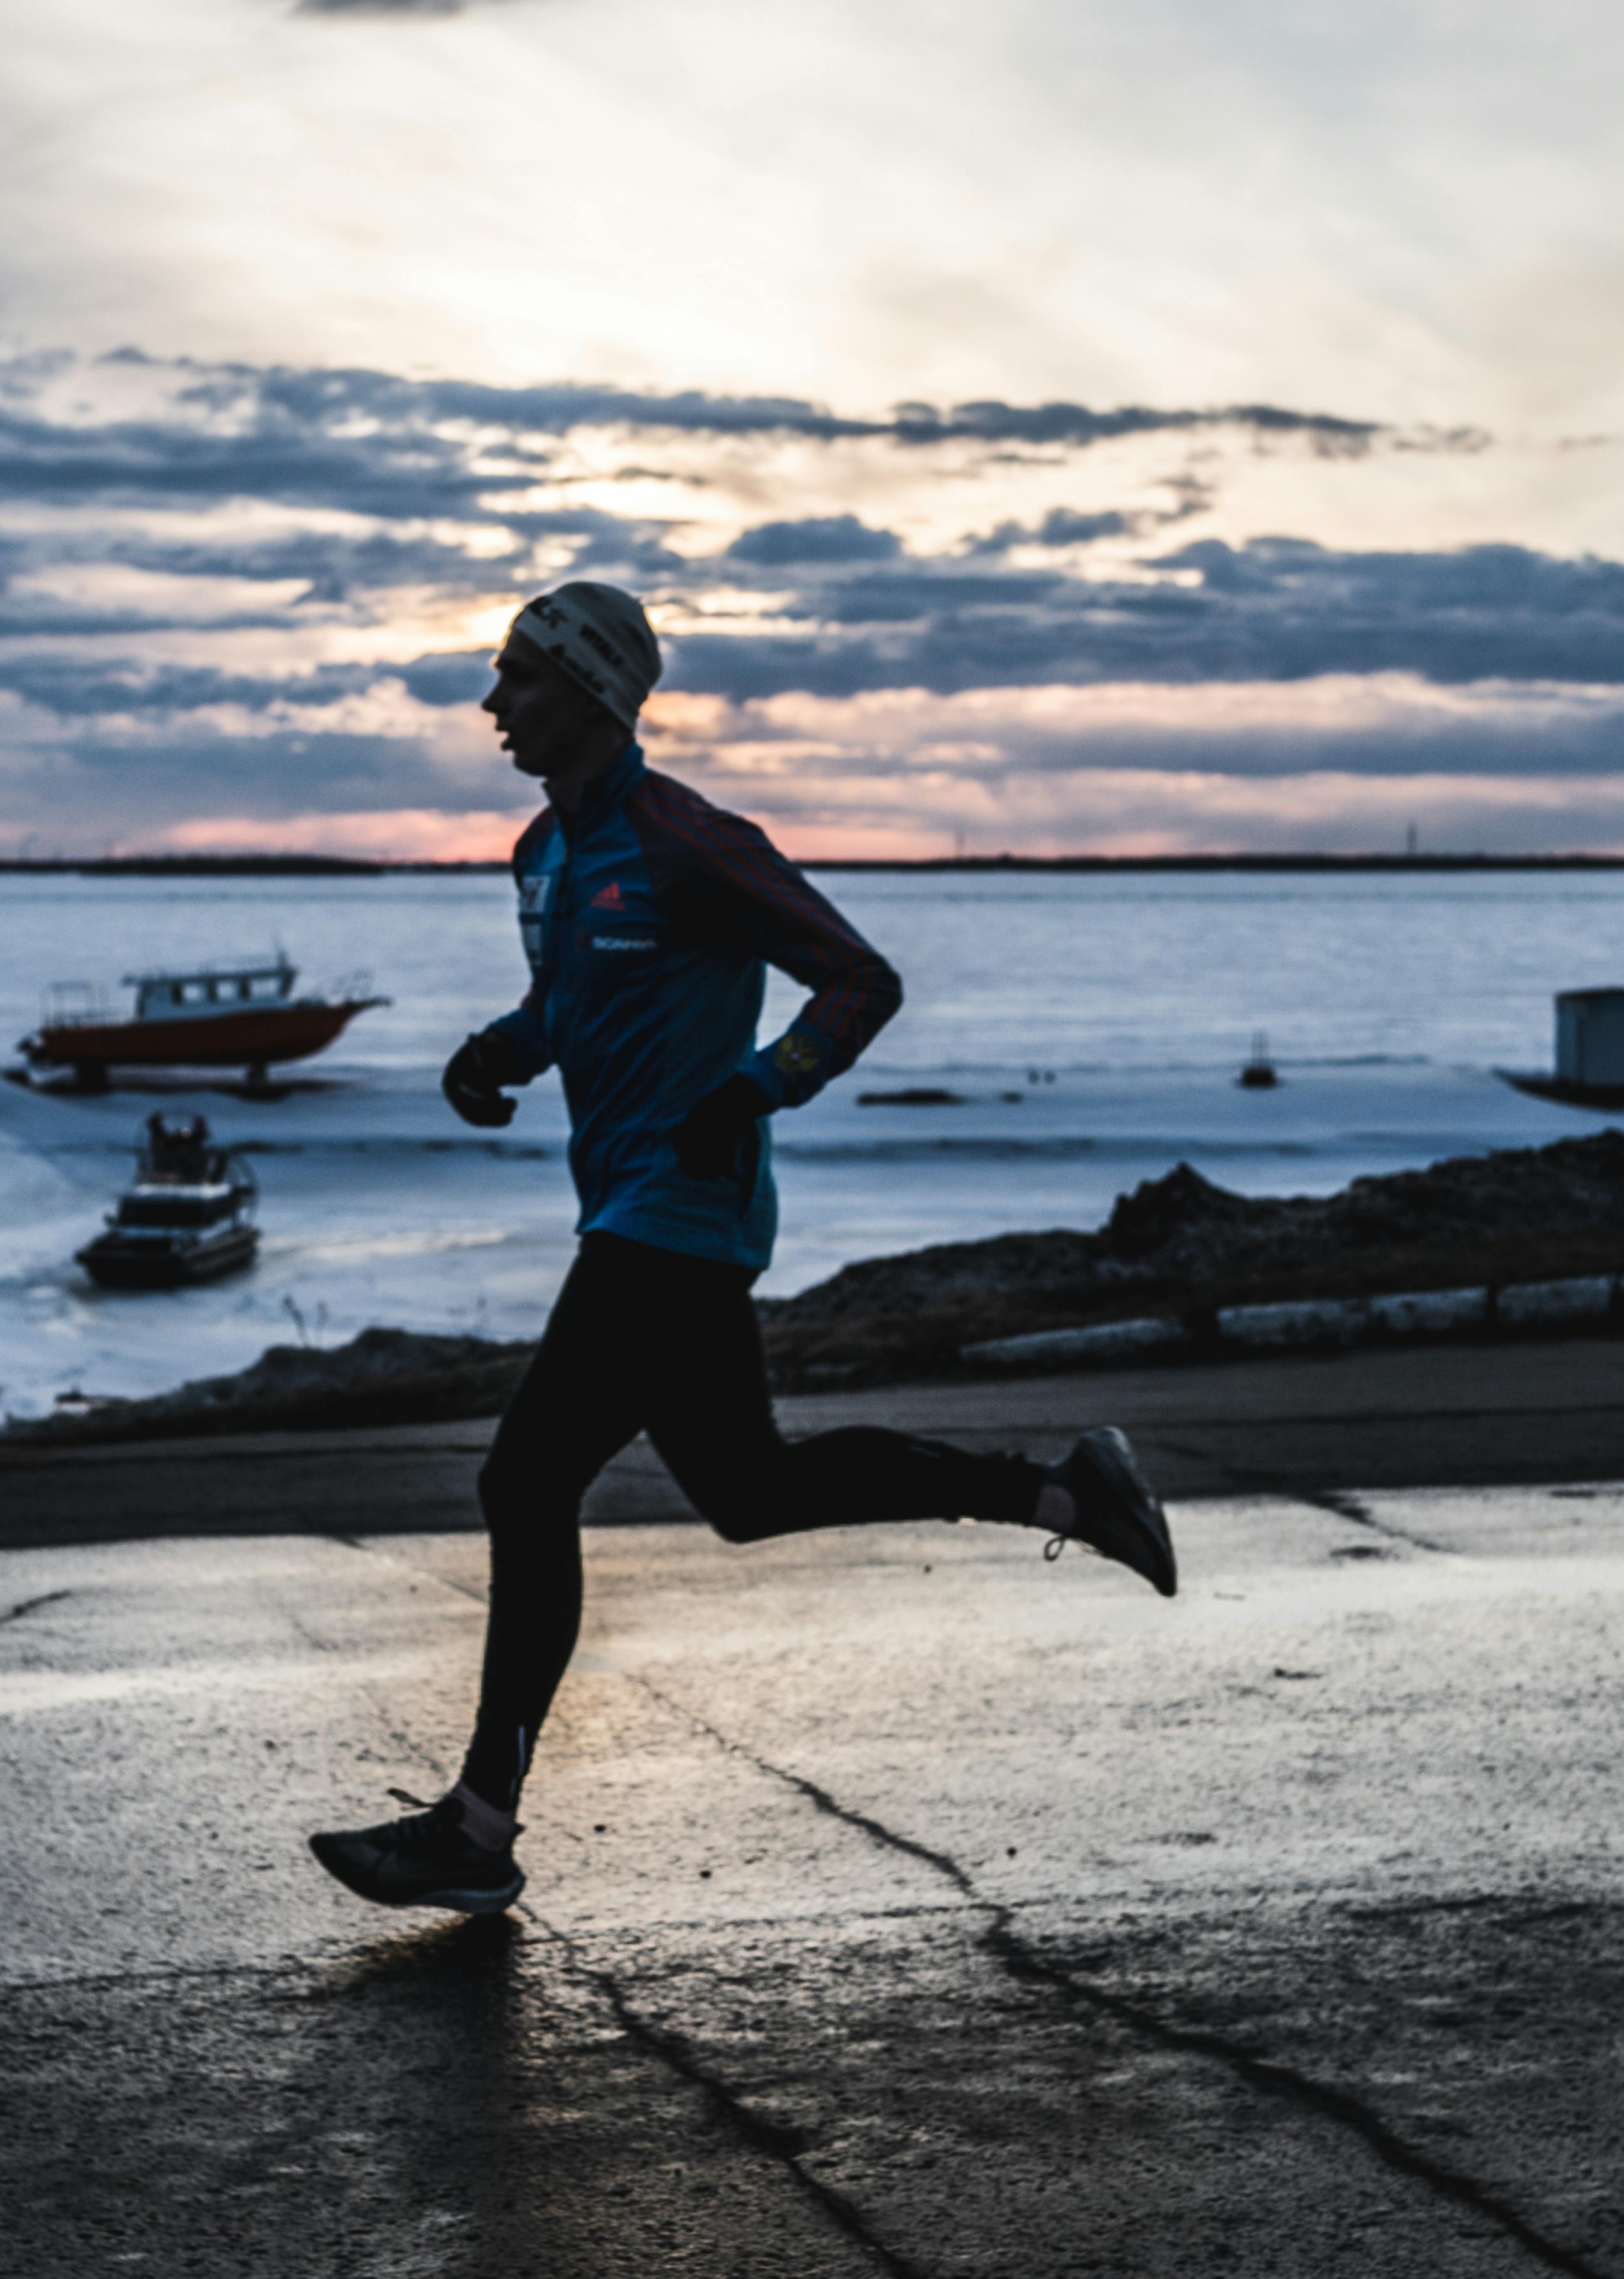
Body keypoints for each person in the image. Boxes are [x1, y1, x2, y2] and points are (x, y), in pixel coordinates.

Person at [309, 580, 1178, 1917]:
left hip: (679, 1215)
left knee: (525, 1478)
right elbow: (572, 995)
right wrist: (498, 1049)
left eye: (518, 680)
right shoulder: (542, 852)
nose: (491, 705)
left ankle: (477, 1827)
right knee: (749, 1490)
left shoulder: (694, 842)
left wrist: (761, 1084)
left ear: (592, 694)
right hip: (628, 1211)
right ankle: (1065, 1491)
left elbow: (859, 979)